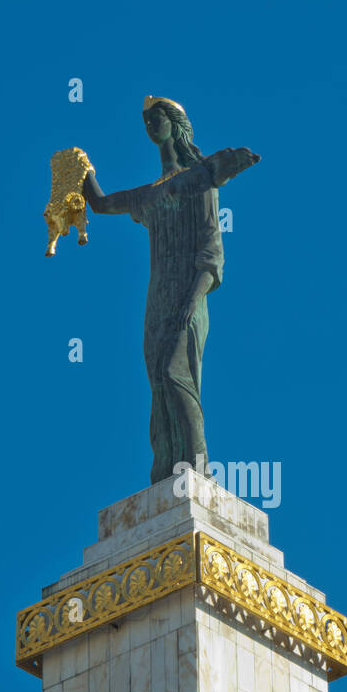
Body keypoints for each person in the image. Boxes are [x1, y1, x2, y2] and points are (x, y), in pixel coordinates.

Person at [83, 96, 260, 484]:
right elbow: (99, 203)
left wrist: (192, 299)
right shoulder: (149, 195)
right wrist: (79, 165)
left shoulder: (199, 180)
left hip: (188, 294)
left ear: (175, 123)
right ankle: (166, 470)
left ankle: (197, 468)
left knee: (176, 374)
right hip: (157, 297)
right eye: (144, 120)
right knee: (159, 382)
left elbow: (212, 252)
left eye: (156, 117)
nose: (149, 124)